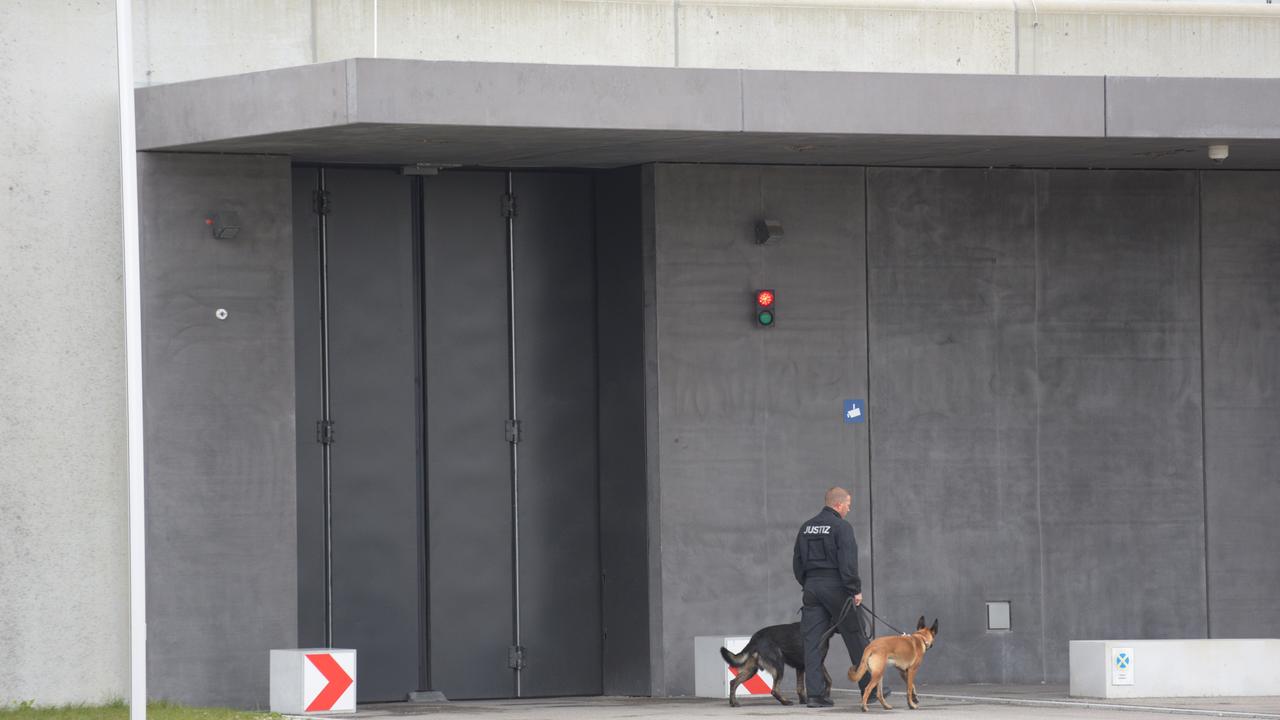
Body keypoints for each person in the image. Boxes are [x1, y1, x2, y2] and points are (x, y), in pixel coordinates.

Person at [792, 486, 888, 708]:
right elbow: (847, 563)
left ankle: (815, 695)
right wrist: (854, 589)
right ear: (837, 504)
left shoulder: (806, 528)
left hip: (812, 588)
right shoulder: (841, 527)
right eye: (847, 506)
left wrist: (808, 584)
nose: (848, 509)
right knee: (856, 636)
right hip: (837, 587)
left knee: (813, 643)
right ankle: (870, 689)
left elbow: (797, 562)